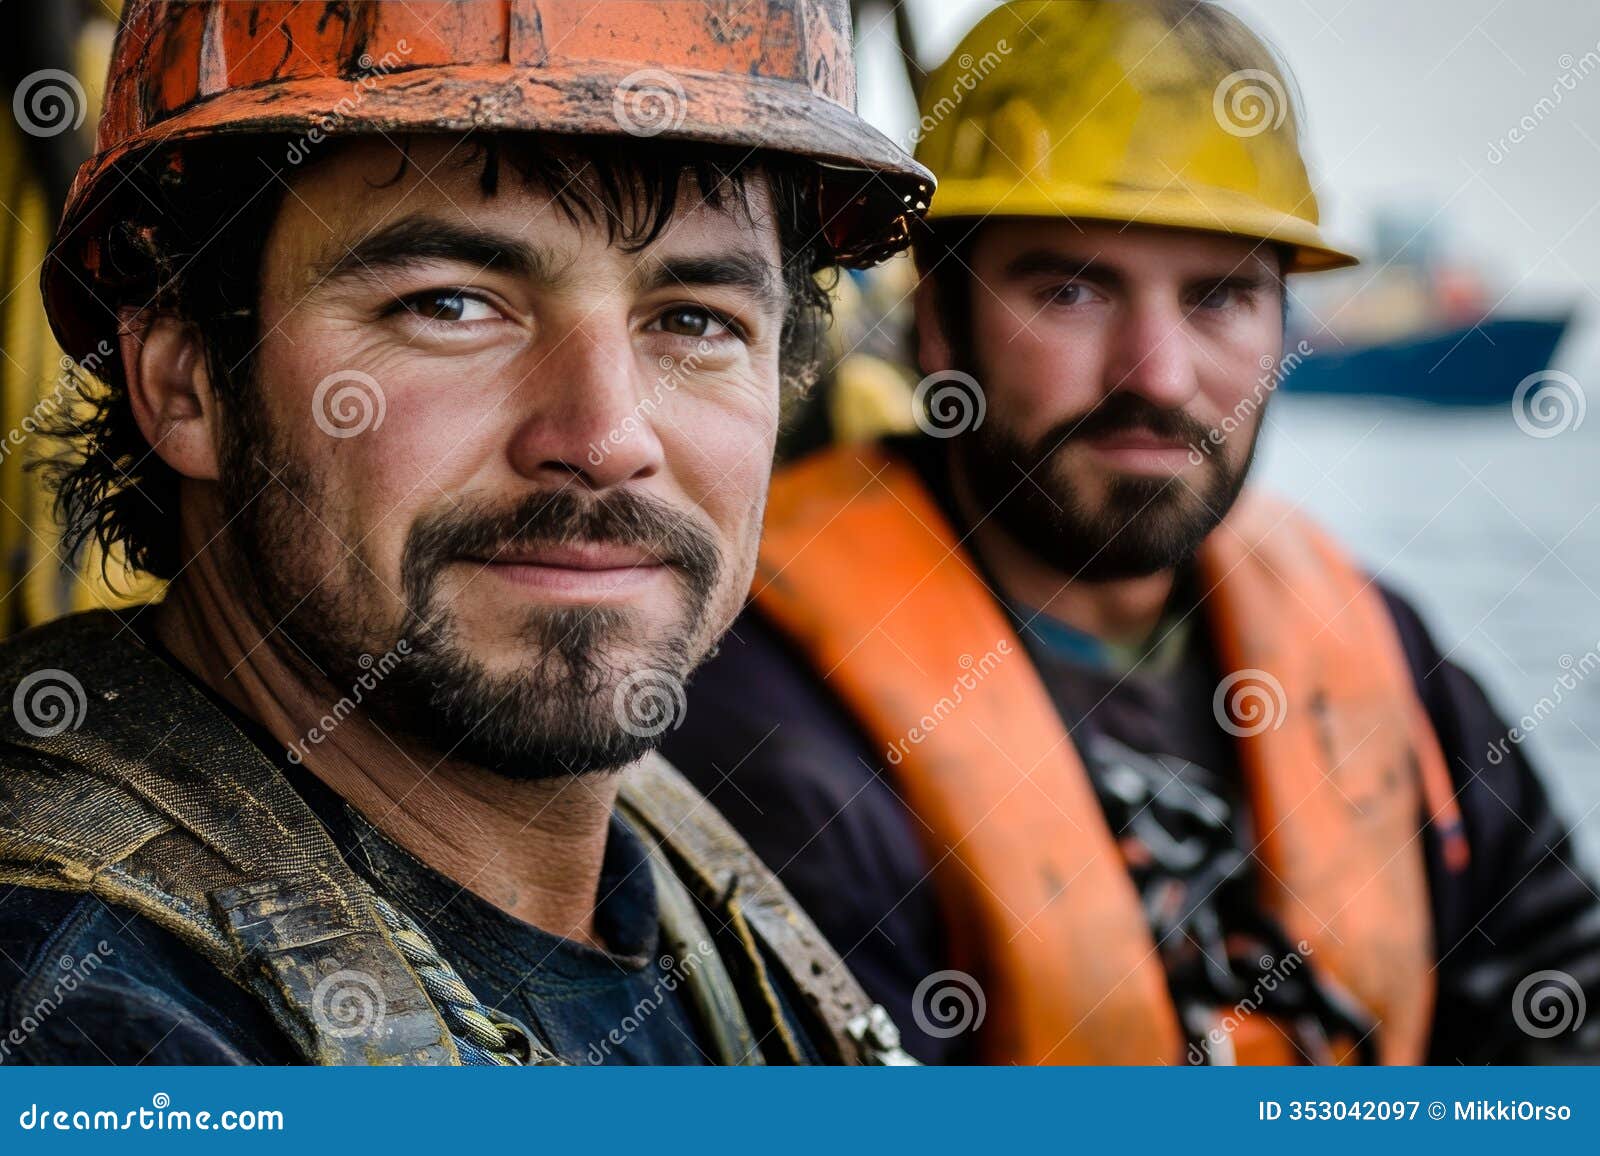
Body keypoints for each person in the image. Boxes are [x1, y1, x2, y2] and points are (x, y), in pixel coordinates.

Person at [665, 0, 1600, 1065]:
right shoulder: (755, 711)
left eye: (1217, 298)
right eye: (1069, 290)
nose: (1154, 375)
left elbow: (1558, 1002)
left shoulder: (1387, 654)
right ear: (938, 321)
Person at [0, 0, 931, 1066]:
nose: (603, 436)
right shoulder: (71, 1001)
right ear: (185, 379)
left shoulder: (675, 865)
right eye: (449, 305)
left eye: (693, 320)